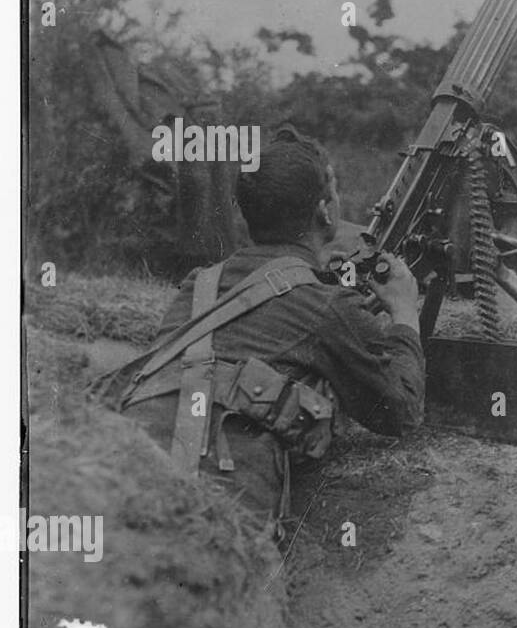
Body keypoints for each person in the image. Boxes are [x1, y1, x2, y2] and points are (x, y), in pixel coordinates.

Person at [95, 124, 425, 534]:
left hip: (122, 481)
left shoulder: (199, 284)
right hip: (219, 519)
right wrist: (404, 310)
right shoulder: (326, 304)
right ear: (326, 211)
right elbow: (403, 410)